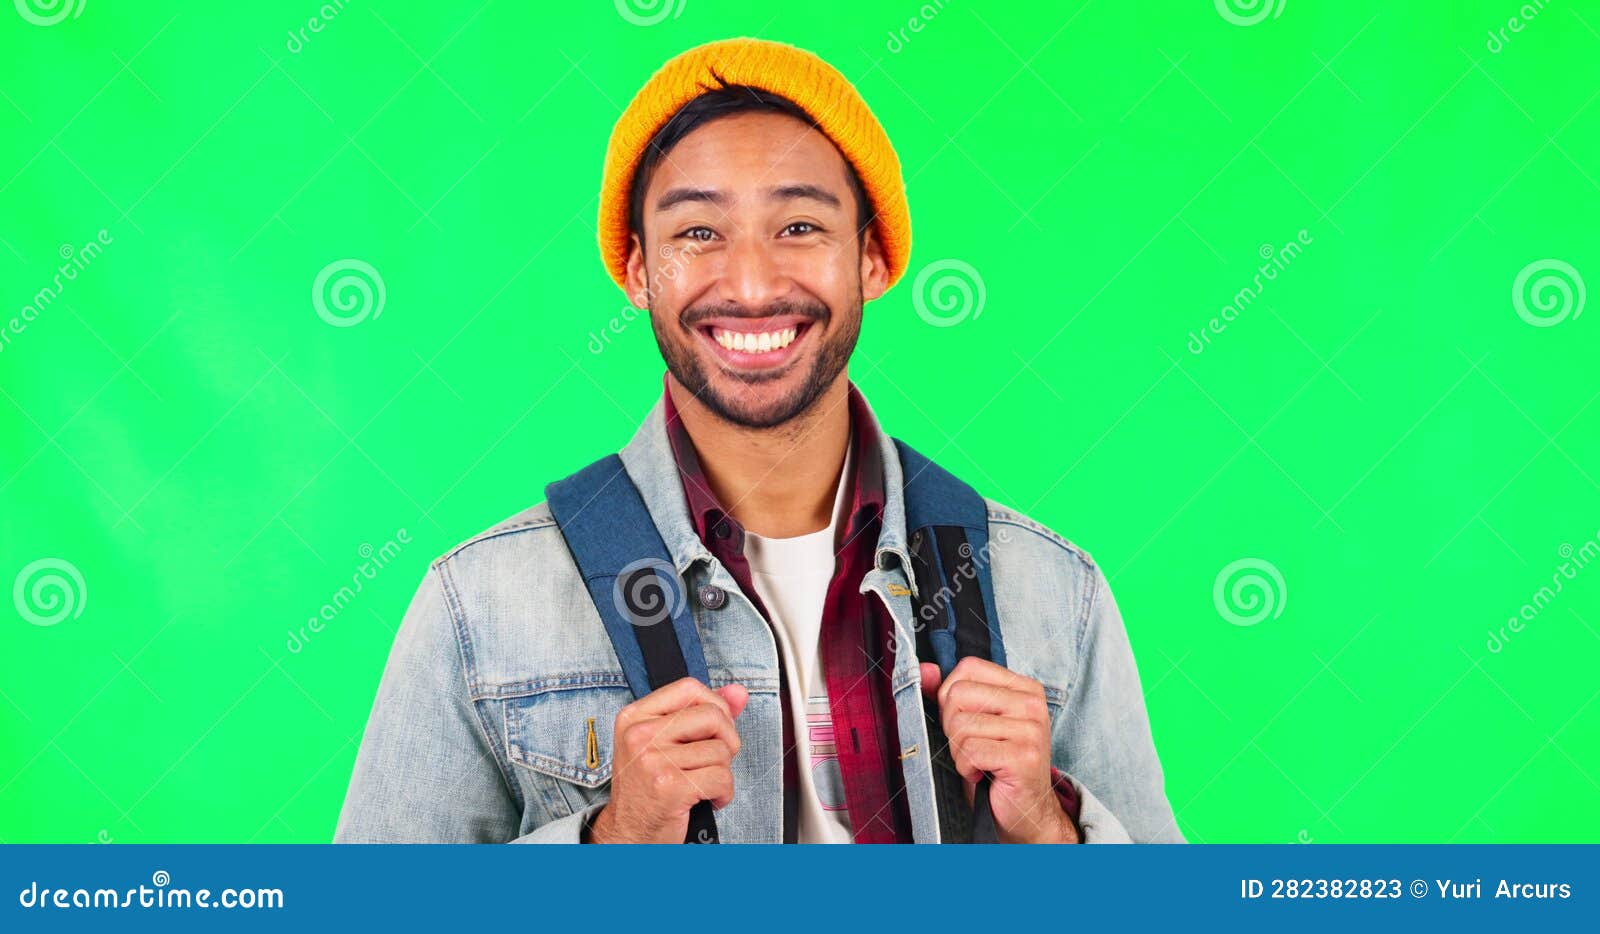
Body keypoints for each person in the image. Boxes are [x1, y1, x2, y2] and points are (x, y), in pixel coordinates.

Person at [335, 37, 1181, 844]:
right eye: (698, 233)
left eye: (800, 227)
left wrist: (1054, 833)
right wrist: (609, 843)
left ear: (872, 259)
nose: (749, 284)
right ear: (638, 270)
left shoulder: (1051, 593)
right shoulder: (479, 606)